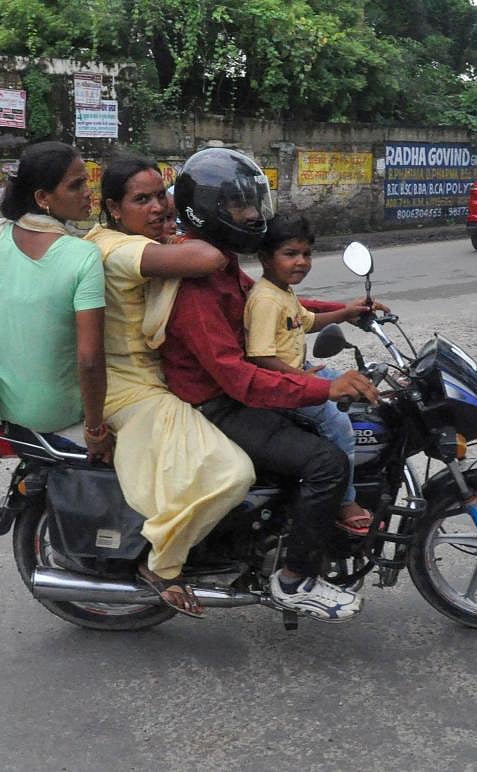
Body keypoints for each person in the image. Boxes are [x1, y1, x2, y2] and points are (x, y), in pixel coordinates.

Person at [159, 148, 379, 623]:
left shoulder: (217, 264)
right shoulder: (196, 286)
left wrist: (346, 310)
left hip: (237, 391)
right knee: (326, 462)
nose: (252, 214)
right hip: (217, 403)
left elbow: (279, 305)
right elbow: (241, 378)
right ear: (211, 209)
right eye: (240, 206)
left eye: (252, 203)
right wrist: (324, 388)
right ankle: (294, 579)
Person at [84, 153, 255, 618]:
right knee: (232, 474)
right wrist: (223, 218)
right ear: (115, 209)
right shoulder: (116, 248)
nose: (159, 207)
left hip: (159, 380)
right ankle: (161, 564)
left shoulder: (143, 240)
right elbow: (207, 257)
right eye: (143, 200)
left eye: (162, 195)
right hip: (133, 390)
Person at [0, 141, 113, 469]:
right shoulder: (83, 256)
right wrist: (95, 430)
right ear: (43, 198)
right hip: (55, 414)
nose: (88, 192)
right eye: (75, 185)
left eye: (87, 181)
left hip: (3, 406)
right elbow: (89, 360)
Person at [245, 213, 387, 537]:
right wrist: (304, 380)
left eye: (306, 254)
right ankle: (345, 501)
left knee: (362, 385)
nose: (301, 262)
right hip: (281, 388)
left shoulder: (282, 291)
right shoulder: (266, 299)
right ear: (266, 257)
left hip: (300, 375)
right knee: (338, 422)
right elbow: (261, 356)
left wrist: (347, 313)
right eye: (290, 254)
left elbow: (308, 321)